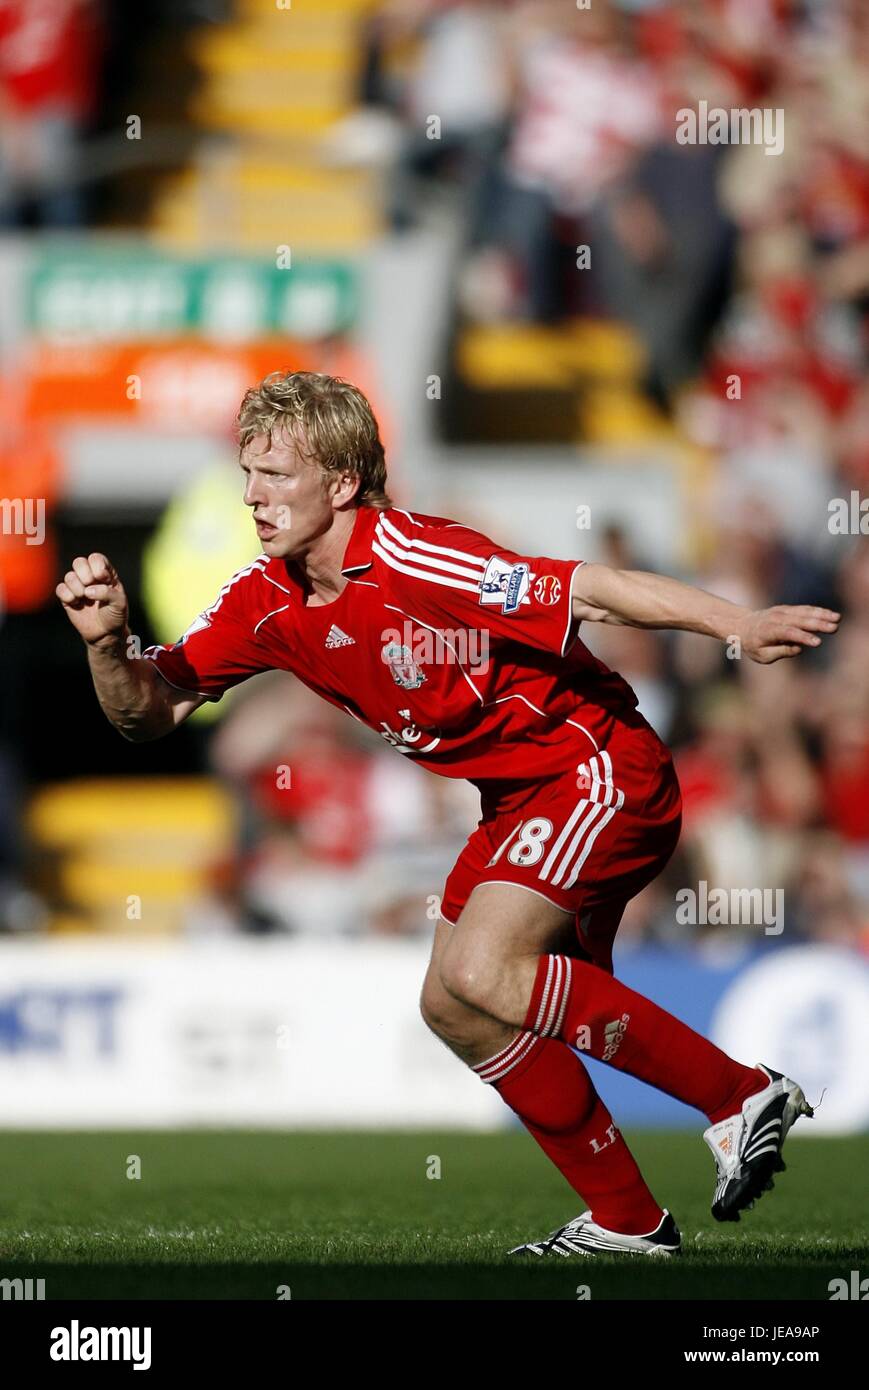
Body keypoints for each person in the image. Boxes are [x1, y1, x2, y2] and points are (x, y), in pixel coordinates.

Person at [56, 371, 839, 1257]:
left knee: (483, 965)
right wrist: (109, 648)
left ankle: (738, 1095)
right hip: (516, 800)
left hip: (598, 768)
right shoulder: (264, 600)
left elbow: (592, 588)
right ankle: (628, 1223)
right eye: (247, 474)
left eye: (275, 476)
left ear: (342, 482)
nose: (253, 496)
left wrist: (735, 624)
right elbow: (148, 713)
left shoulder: (418, 556)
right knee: (455, 1005)